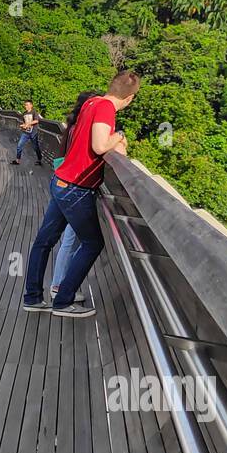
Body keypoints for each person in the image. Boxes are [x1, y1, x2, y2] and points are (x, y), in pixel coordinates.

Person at [22, 72, 140, 317]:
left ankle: (32, 298)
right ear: (129, 99)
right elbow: (99, 146)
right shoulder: (107, 108)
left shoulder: (92, 102)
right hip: (77, 187)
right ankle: (63, 301)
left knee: (44, 241)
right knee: (93, 243)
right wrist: (119, 136)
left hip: (61, 180)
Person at [49, 92, 101, 295]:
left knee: (64, 238)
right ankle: (60, 288)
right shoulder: (85, 129)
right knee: (72, 238)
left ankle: (58, 285)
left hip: (61, 182)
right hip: (75, 186)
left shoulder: (71, 126)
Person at [11, 101, 42, 166]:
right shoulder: (24, 113)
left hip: (33, 133)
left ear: (31, 105)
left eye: (27, 105)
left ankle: (39, 160)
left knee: (35, 147)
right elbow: (24, 123)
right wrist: (23, 126)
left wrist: (28, 123)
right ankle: (17, 160)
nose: (26, 106)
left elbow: (36, 120)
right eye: (25, 105)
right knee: (19, 145)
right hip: (25, 132)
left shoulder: (34, 112)